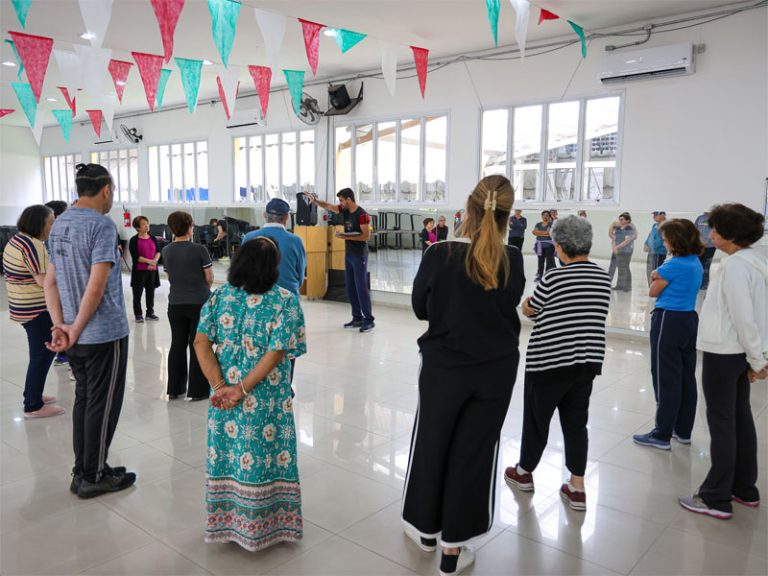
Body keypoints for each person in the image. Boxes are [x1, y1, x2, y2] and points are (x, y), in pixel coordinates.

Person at [401, 175, 525, 576]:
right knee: (474, 452)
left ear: (467, 207)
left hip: (444, 368)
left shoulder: (440, 252)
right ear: (508, 213)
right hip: (496, 369)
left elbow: (421, 307)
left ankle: (425, 530)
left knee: (433, 442)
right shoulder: (514, 257)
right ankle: (453, 550)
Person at [194, 237, 307, 551]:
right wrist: (242, 390)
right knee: (265, 457)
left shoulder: (220, 298)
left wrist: (220, 387)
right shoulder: (284, 300)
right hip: (265, 398)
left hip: (224, 400)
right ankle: (268, 527)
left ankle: (228, 525)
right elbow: (276, 353)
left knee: (228, 456)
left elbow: (200, 343)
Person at [504, 216, 611, 511]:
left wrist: (527, 306)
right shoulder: (602, 277)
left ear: (561, 247)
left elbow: (533, 309)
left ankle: (524, 472)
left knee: (538, 420)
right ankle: (576, 487)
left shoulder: (553, 277)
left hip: (549, 363)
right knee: (577, 424)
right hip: (587, 361)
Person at [45, 162, 136, 499]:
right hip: (102, 334)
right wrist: (77, 327)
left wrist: (61, 326)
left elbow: (50, 283)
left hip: (73, 334)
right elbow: (95, 289)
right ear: (106, 190)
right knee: (103, 405)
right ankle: (92, 474)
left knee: (85, 401)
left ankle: (85, 467)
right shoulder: (102, 225)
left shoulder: (60, 223)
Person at [679, 204, 768, 519]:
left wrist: (758, 360)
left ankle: (716, 497)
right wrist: (758, 356)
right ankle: (745, 488)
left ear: (730, 234)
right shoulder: (755, 260)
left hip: (724, 352)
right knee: (739, 418)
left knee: (722, 423)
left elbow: (745, 317)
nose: (710, 233)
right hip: (740, 353)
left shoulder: (733, 267)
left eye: (714, 228)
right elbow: (759, 315)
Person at [633, 219, 704, 451]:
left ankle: (662, 433)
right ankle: (682, 430)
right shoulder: (695, 261)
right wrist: (658, 274)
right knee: (685, 377)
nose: (663, 242)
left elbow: (653, 290)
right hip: (689, 319)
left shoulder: (673, 265)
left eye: (665, 239)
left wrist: (656, 274)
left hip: (668, 320)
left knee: (665, 377)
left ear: (676, 240)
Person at [2, 205, 65, 418]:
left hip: (22, 305)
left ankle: (33, 393)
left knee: (39, 354)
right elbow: (43, 281)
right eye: (50, 222)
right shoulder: (33, 245)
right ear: (40, 223)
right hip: (35, 308)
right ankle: (33, 405)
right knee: (42, 355)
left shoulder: (17, 239)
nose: (52, 226)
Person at [243, 198, 307, 387]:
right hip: (287, 304)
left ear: (265, 215)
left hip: (255, 301)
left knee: (257, 346)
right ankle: (285, 387)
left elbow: (242, 271)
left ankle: (256, 384)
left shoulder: (249, 238)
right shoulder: (295, 240)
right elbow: (301, 275)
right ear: (287, 217)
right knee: (286, 349)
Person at [304, 188, 374, 332]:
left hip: (359, 254)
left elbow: (366, 236)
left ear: (349, 199)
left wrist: (346, 236)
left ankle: (368, 319)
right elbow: (329, 206)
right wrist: (315, 201)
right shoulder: (345, 210)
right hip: (349, 254)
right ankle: (357, 317)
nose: (340, 203)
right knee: (350, 286)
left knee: (361, 287)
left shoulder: (362, 215)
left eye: (341, 200)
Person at [162, 211, 214, 401]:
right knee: (198, 345)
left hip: (175, 303)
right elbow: (209, 278)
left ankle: (175, 388)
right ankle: (198, 390)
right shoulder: (199, 249)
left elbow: (170, 277)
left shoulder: (166, 251)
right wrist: (200, 289)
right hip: (199, 303)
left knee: (177, 344)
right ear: (190, 227)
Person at [45, 200, 71, 367]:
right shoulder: (54, 237)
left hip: (60, 286)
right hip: (61, 287)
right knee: (63, 320)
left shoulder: (54, 235)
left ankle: (63, 355)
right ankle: (64, 355)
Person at [128, 216, 160, 323]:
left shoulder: (153, 238)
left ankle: (150, 313)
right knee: (137, 293)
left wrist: (154, 261)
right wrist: (149, 262)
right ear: (137, 227)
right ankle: (138, 314)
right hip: (139, 271)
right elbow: (136, 256)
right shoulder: (134, 240)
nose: (147, 226)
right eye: (143, 224)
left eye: (147, 223)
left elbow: (158, 252)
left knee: (150, 292)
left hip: (152, 270)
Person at [611, 212, 637, 291]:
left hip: (626, 251)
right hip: (618, 250)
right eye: (620, 219)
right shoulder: (618, 228)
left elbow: (626, 241)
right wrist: (614, 248)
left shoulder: (629, 229)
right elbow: (614, 238)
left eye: (622, 219)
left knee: (625, 267)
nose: (620, 221)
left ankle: (628, 286)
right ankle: (620, 285)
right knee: (620, 267)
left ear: (627, 220)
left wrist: (617, 247)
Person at [644, 211, 668, 285]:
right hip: (652, 252)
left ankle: (656, 286)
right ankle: (651, 285)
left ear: (663, 215)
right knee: (649, 270)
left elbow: (662, 239)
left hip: (659, 252)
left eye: (656, 215)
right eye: (653, 215)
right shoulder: (655, 225)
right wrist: (646, 244)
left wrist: (651, 247)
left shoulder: (666, 226)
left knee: (656, 271)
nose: (654, 216)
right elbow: (650, 235)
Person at [695, 211, 717, 289]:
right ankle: (698, 284)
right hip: (699, 247)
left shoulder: (715, 219)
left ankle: (705, 285)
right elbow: (695, 230)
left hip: (710, 247)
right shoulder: (699, 218)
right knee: (698, 266)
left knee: (707, 266)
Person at [532, 210, 555, 282]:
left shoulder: (551, 224)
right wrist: (544, 233)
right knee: (540, 261)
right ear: (542, 216)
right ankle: (539, 275)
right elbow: (534, 232)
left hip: (549, 245)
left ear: (549, 217)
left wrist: (539, 233)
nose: (545, 217)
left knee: (549, 261)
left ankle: (547, 276)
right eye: (544, 215)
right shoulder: (538, 224)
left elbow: (548, 233)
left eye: (547, 215)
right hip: (539, 245)